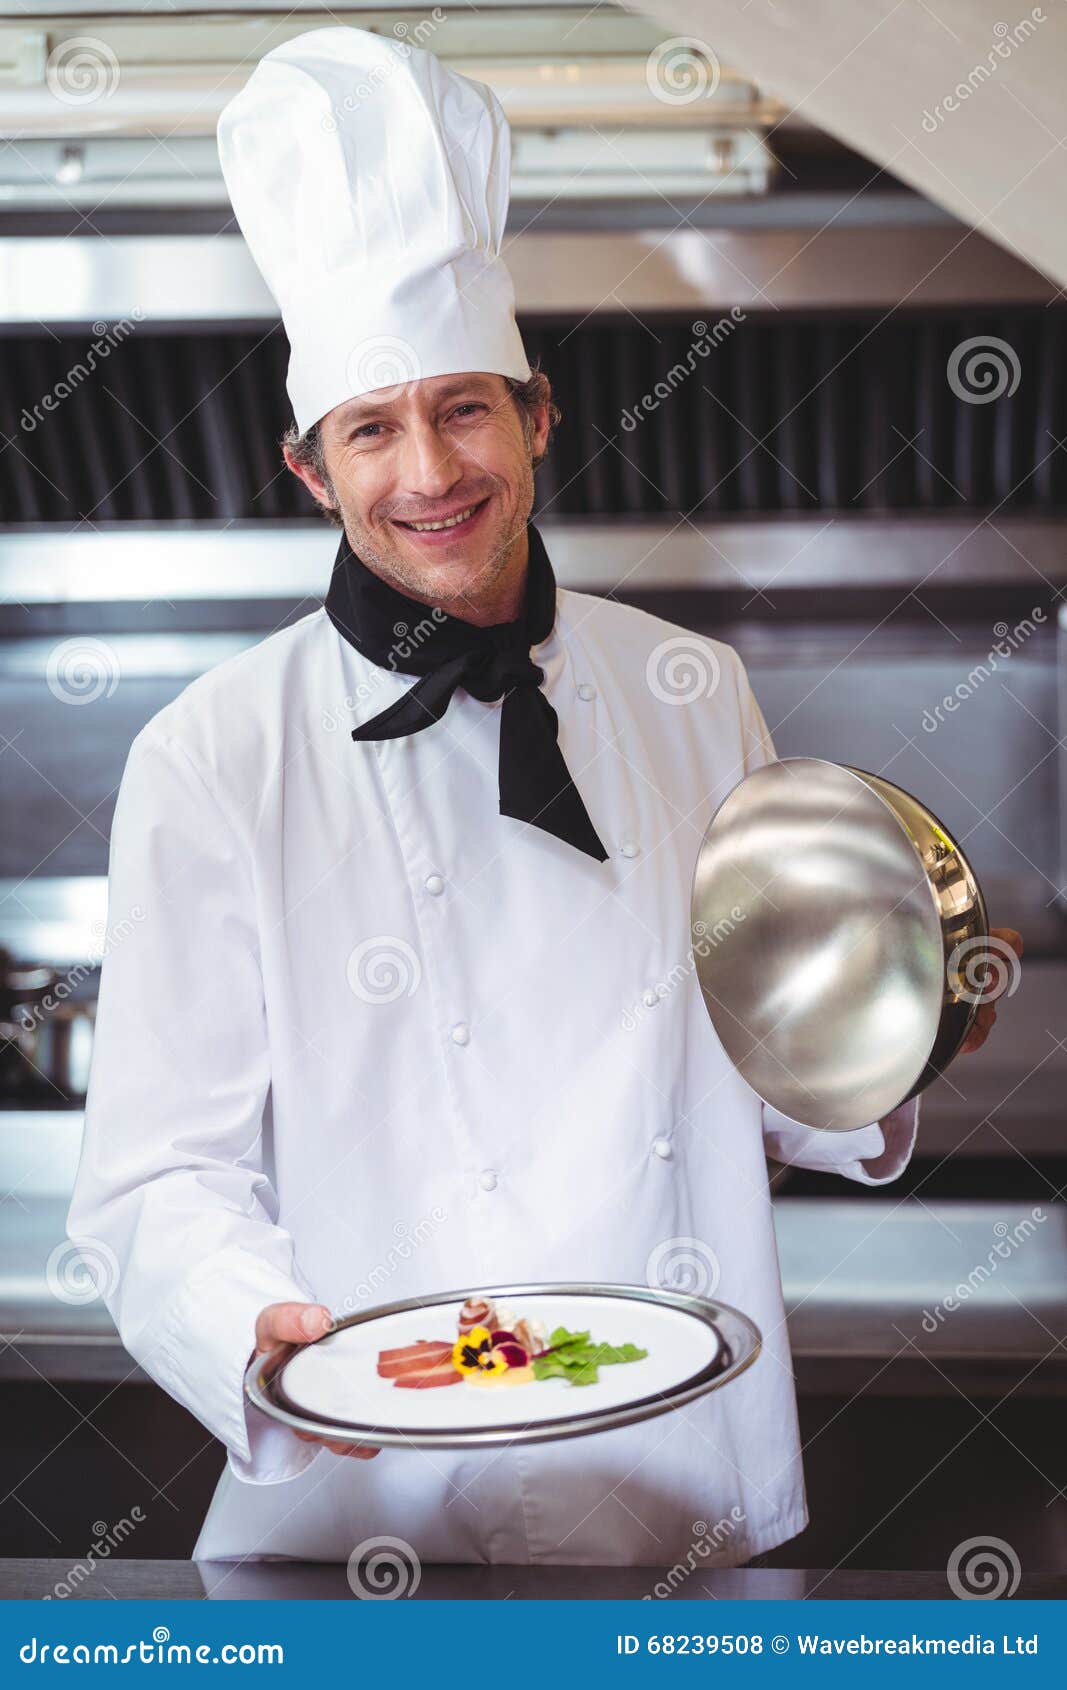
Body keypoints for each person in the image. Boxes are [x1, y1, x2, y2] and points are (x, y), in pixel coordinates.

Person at [67, 27, 1020, 1567]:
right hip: (361, 1500)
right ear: (312, 470)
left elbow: (763, 1066)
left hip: (676, 1492)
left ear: (540, 415)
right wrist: (259, 1327)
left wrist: (896, 1016)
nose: (428, 471)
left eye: (464, 408)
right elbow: (156, 1180)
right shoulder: (213, 754)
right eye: (373, 428)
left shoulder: (692, 690)